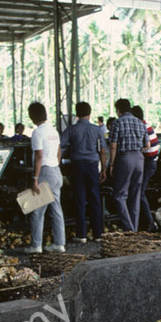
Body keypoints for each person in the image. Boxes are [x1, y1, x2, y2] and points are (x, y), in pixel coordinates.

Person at [24, 102, 66, 254]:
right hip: (56, 170)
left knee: (37, 210)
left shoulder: (37, 133)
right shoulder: (53, 131)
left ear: (32, 116)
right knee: (56, 209)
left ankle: (36, 245)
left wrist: (35, 178)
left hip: (45, 171)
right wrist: (55, 164)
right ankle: (60, 243)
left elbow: (39, 156)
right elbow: (59, 152)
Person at [63, 101, 107, 243]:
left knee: (80, 199)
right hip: (93, 165)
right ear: (90, 113)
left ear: (77, 113)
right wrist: (104, 169)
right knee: (95, 198)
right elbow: (102, 151)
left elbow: (60, 145)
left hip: (77, 166)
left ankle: (81, 234)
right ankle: (98, 234)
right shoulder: (97, 130)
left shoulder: (71, 129)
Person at [107, 97, 147, 232]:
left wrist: (111, 165)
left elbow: (113, 146)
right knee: (135, 195)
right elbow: (147, 145)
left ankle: (129, 228)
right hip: (139, 159)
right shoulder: (140, 123)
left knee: (119, 195)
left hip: (125, 159)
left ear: (118, 110)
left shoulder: (117, 123)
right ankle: (134, 228)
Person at [132, 105, 161, 231]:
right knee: (138, 192)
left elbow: (145, 146)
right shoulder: (145, 124)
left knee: (140, 193)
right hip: (151, 162)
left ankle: (149, 223)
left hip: (149, 163)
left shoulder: (141, 127)